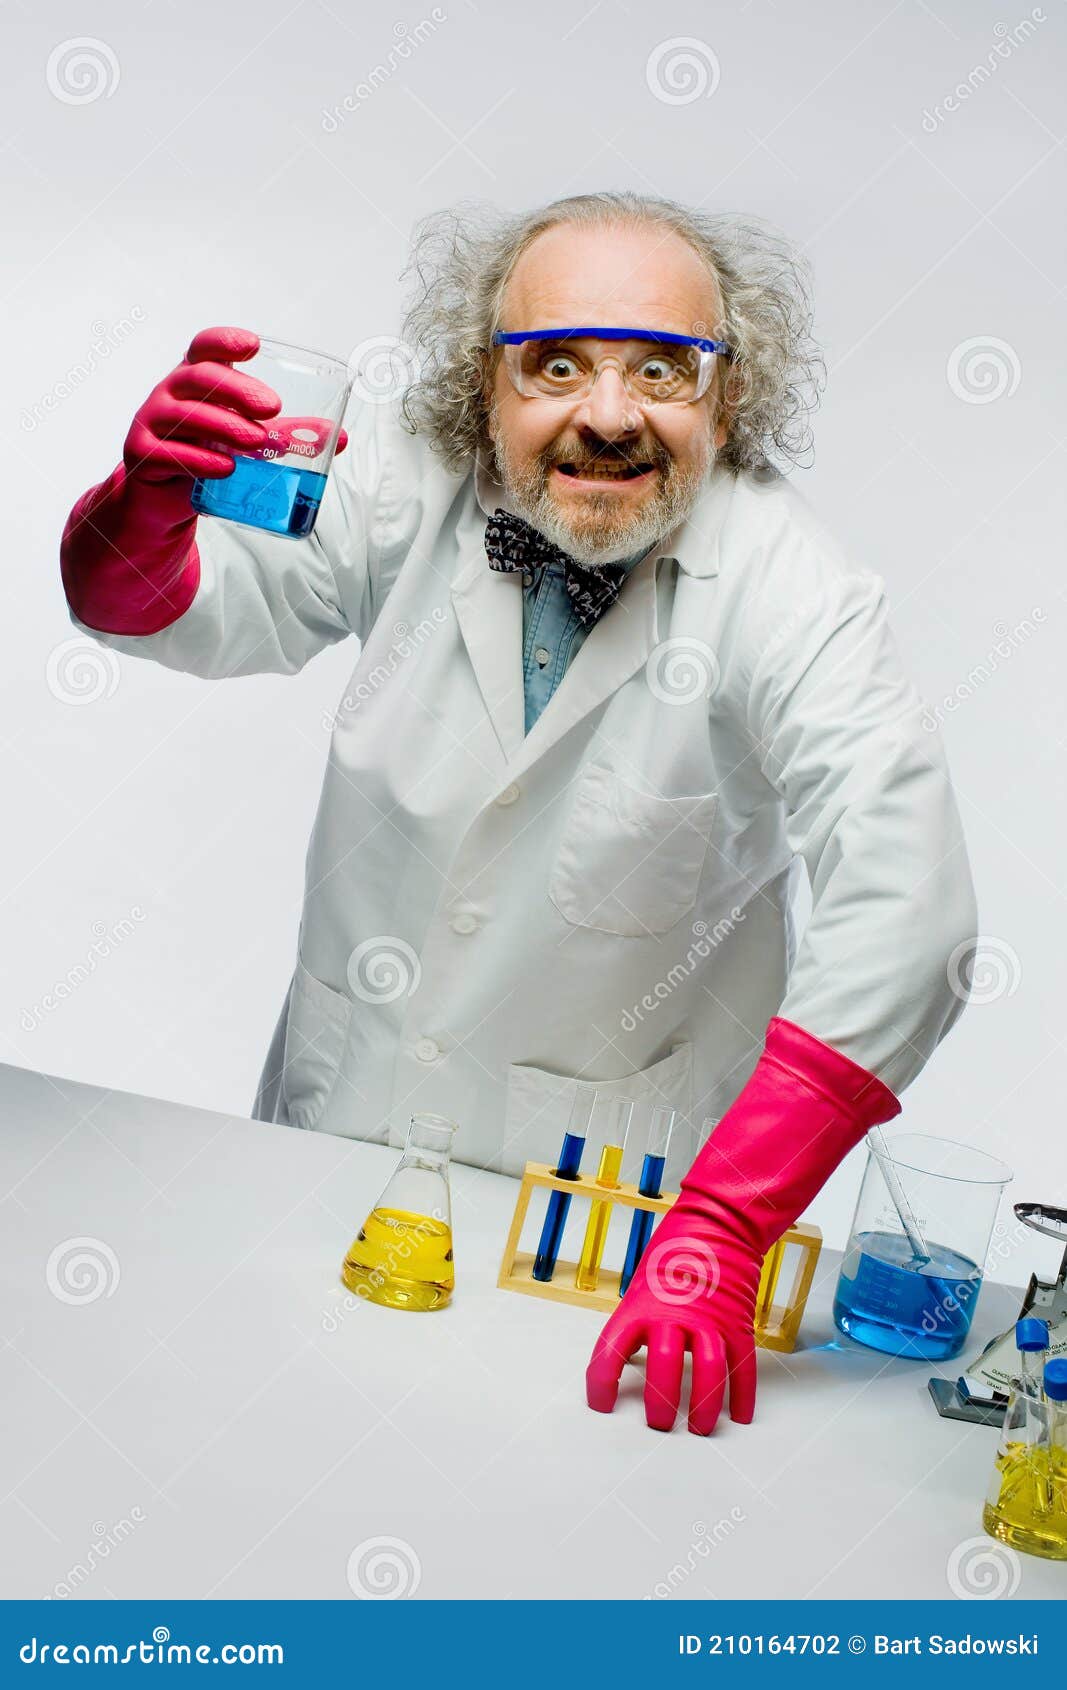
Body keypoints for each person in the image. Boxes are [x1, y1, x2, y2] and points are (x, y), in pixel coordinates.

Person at [59, 191, 978, 1436]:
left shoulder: (791, 587)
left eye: (662, 367)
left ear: (726, 396)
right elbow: (177, 608)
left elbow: (909, 917)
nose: (606, 414)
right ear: (480, 387)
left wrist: (724, 1221)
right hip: (330, 1142)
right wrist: (136, 505)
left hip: (599, 1240)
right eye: (552, 365)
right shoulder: (399, 477)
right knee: (247, 1447)